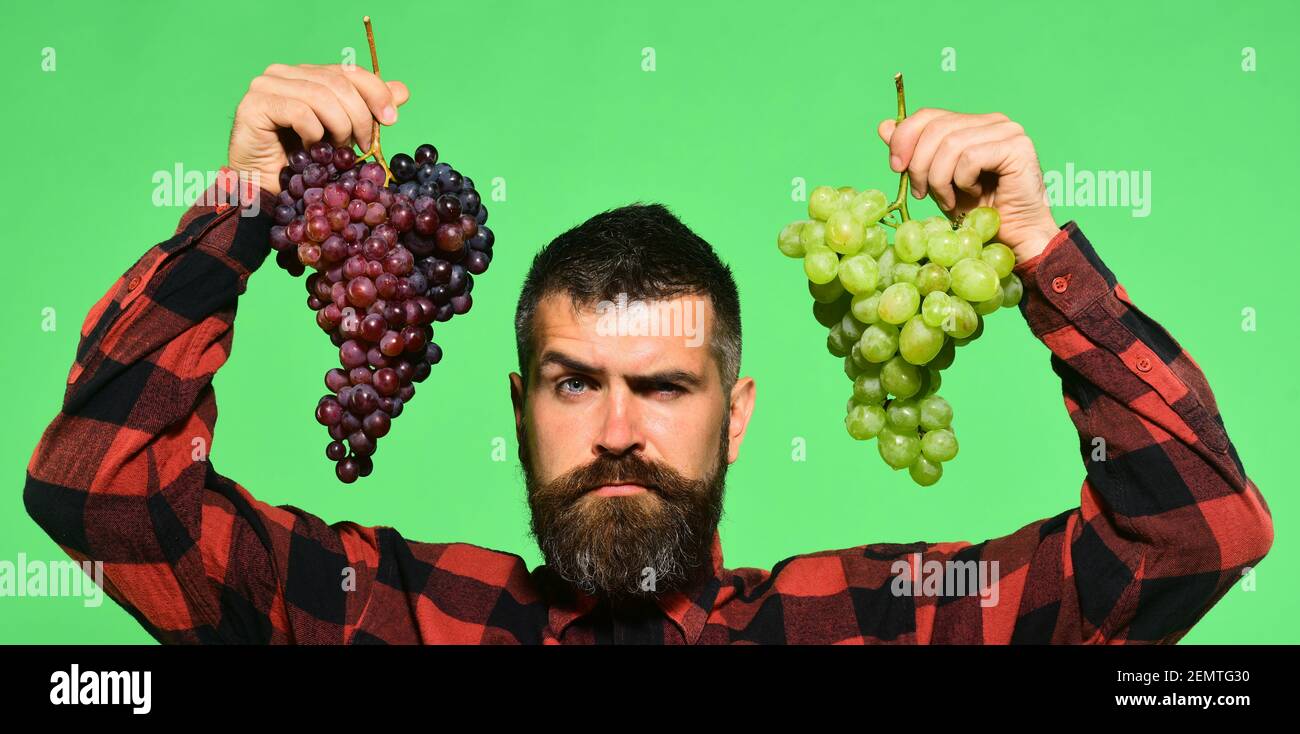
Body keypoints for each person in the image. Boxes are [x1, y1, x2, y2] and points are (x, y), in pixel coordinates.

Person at [24, 63, 1272, 644]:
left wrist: (1038, 252)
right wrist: (244, 209)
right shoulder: (389, 617)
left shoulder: (872, 627)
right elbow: (101, 493)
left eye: (664, 385)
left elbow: (1197, 535)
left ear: (734, 416)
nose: (617, 427)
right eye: (577, 382)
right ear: (519, 406)